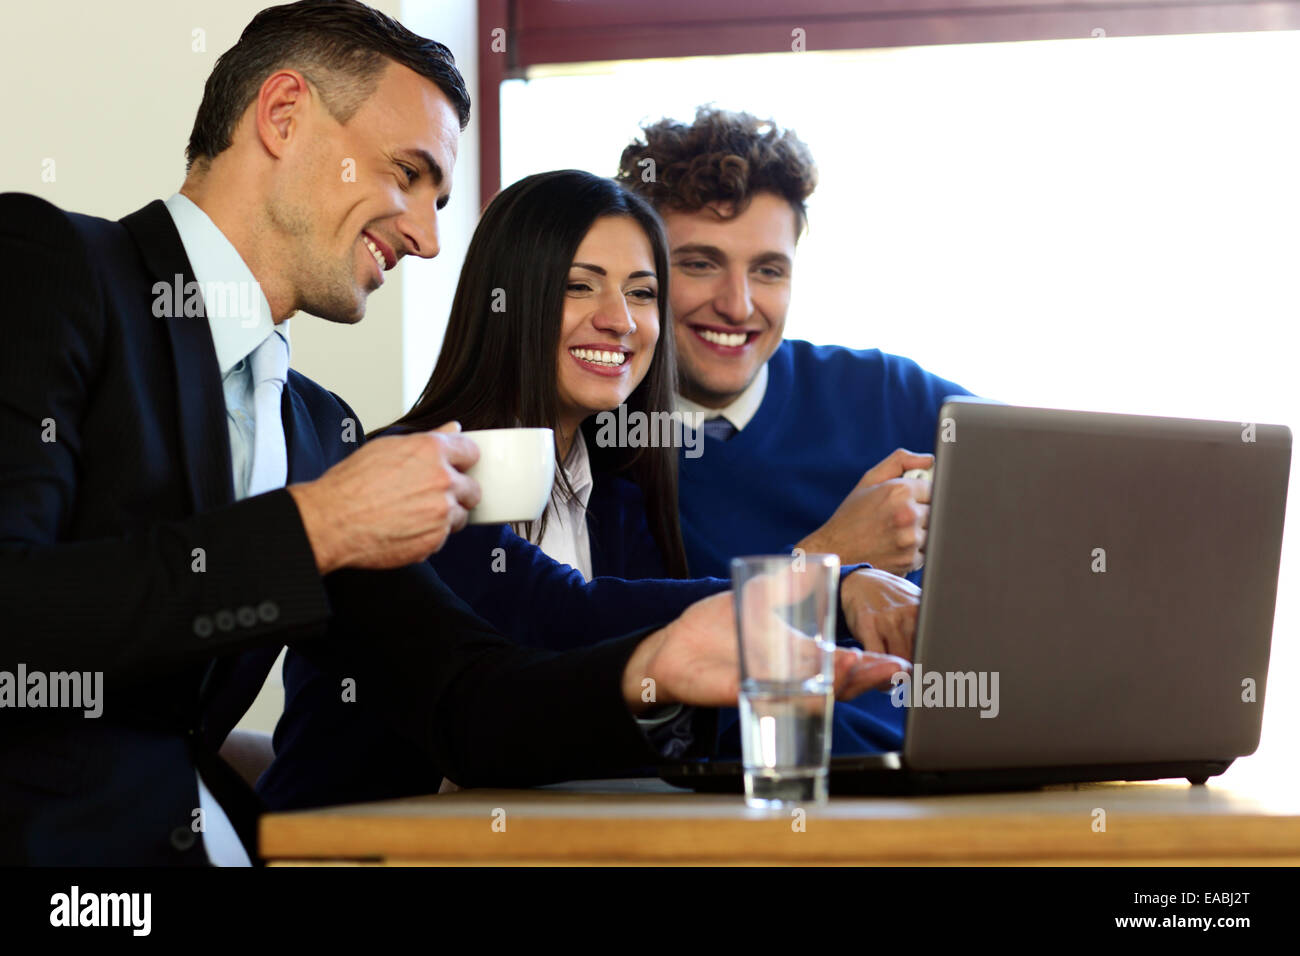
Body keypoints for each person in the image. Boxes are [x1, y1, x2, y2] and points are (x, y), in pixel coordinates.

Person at [0, 1, 904, 866]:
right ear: (283, 115)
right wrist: (316, 527)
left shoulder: (315, 426)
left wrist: (648, 670)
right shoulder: (53, 266)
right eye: (408, 175)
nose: (430, 240)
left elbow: (464, 700)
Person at [259, 168, 920, 810]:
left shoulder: (618, 493)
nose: (620, 320)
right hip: (354, 853)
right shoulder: (405, 469)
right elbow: (558, 619)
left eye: (641, 293)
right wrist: (820, 584)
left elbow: (656, 708)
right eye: (581, 287)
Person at [616, 108, 974, 753]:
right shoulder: (599, 449)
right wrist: (828, 562)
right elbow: (627, 676)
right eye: (700, 264)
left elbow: (1053, 485)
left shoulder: (890, 393)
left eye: (769, 271)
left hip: (968, 772)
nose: (739, 304)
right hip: (763, 802)